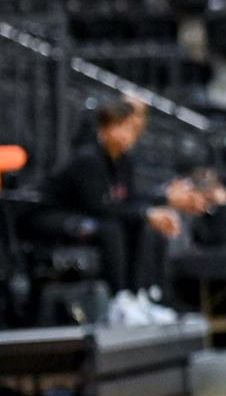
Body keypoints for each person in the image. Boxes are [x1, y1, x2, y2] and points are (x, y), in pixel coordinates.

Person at [41, 100, 201, 325]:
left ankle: (141, 295)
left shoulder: (122, 160)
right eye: (122, 127)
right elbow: (99, 207)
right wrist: (146, 213)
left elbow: (130, 200)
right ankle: (119, 300)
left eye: (131, 129)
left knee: (145, 226)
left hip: (93, 216)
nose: (129, 134)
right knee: (112, 228)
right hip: (57, 217)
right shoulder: (88, 158)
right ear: (105, 129)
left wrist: (156, 209)